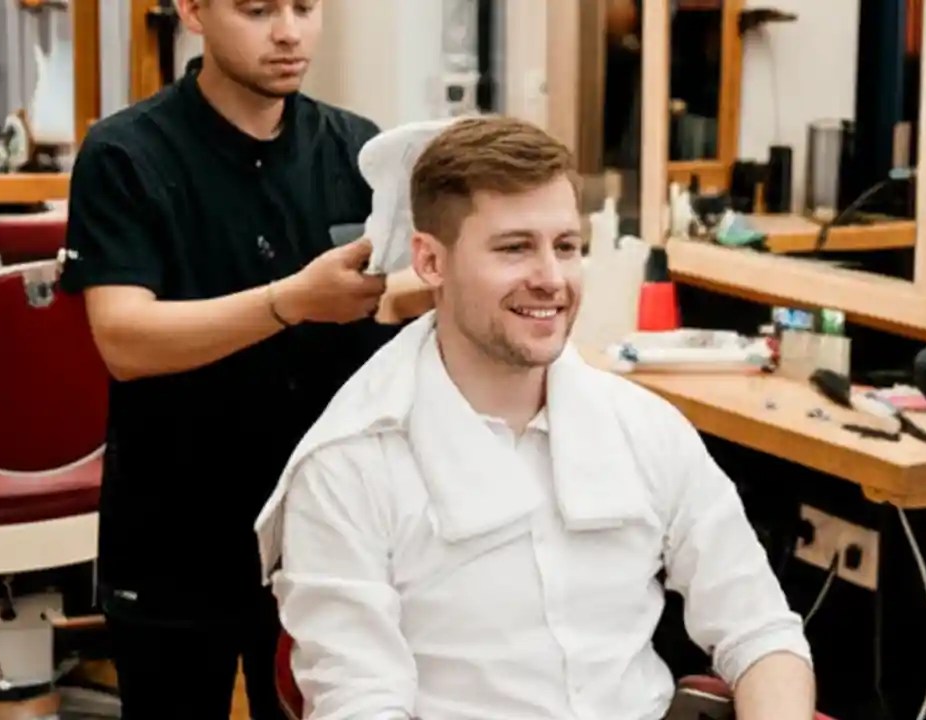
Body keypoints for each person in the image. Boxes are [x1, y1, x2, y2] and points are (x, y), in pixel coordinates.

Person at [255, 116, 816, 719]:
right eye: (514, 247)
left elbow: (761, 631)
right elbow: (361, 705)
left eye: (567, 246)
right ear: (430, 262)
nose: (551, 279)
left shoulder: (644, 430)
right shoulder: (350, 465)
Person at [59, 1, 396, 716]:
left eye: (306, 7)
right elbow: (125, 340)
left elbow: (391, 313)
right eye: (257, 9)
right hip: (175, 528)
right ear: (193, 11)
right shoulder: (126, 154)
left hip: (330, 537)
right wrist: (294, 299)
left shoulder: (360, 152)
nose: (288, 31)